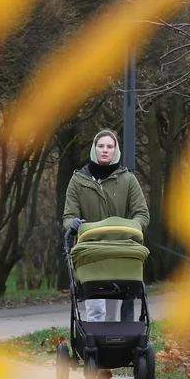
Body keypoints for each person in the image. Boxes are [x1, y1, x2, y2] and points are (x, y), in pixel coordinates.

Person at [61, 127, 150, 331]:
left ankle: (112, 344)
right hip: (91, 252)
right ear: (94, 149)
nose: (105, 150)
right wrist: (73, 224)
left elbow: (142, 213)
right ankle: (96, 347)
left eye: (110, 146)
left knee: (113, 307)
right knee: (95, 307)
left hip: (119, 251)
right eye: (100, 146)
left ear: (115, 150)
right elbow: (68, 215)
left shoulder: (127, 180)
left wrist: (131, 229)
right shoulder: (78, 181)